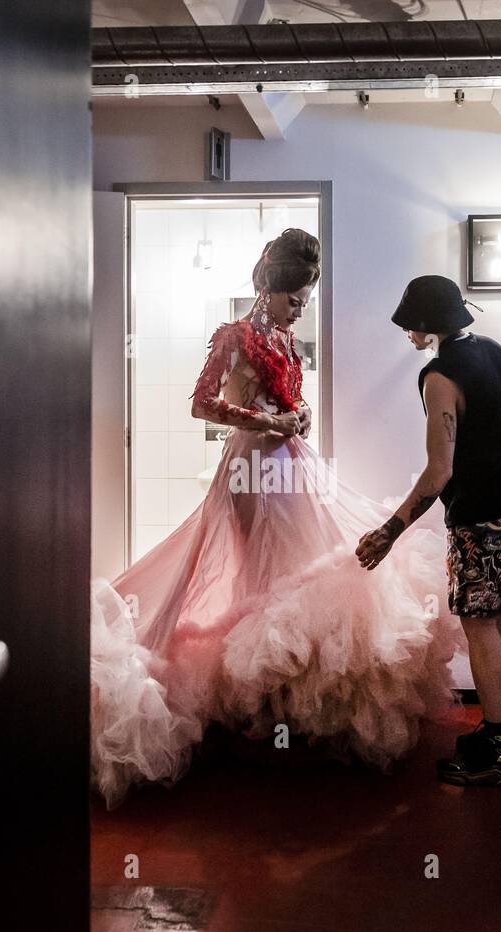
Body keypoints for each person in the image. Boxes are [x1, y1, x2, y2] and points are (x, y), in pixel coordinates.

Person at [90, 232, 461, 808]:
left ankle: (279, 718)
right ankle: (252, 717)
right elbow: (201, 404)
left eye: (307, 299)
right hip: (250, 470)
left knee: (299, 573)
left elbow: (291, 400)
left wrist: (302, 413)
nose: (301, 308)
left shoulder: (286, 339)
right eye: (296, 297)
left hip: (292, 468)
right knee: (256, 577)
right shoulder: (234, 337)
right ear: (270, 287)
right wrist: (268, 424)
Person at [356, 275, 501, 787]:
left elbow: (438, 472)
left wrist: (389, 531)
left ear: (425, 324)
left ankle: (500, 753)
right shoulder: (494, 351)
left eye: (410, 324)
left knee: (480, 624)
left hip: (482, 513)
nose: (407, 334)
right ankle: (500, 733)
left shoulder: (438, 375)